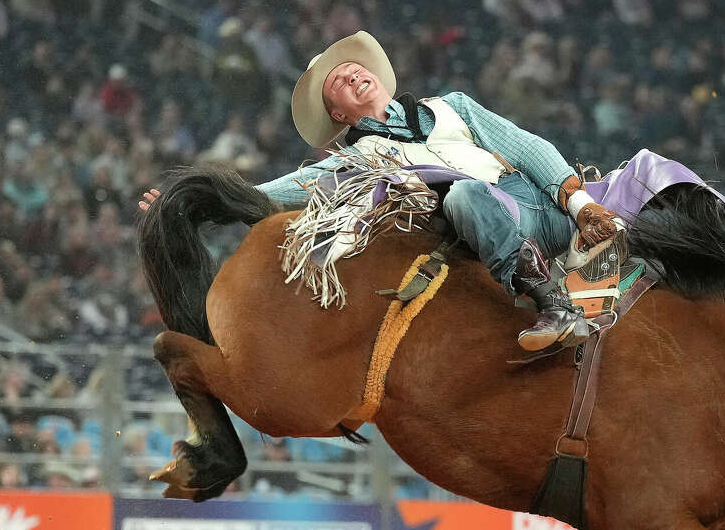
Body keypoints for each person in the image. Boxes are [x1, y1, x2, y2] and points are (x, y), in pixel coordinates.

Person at [143, 31, 618, 351]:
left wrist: (582, 205)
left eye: (352, 69)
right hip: (491, 224)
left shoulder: (452, 106)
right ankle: (554, 305)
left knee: (651, 181)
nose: (351, 75)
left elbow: (529, 148)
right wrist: (191, 202)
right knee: (463, 197)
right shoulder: (356, 162)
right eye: (338, 84)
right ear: (341, 118)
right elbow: (274, 195)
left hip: (542, 208)